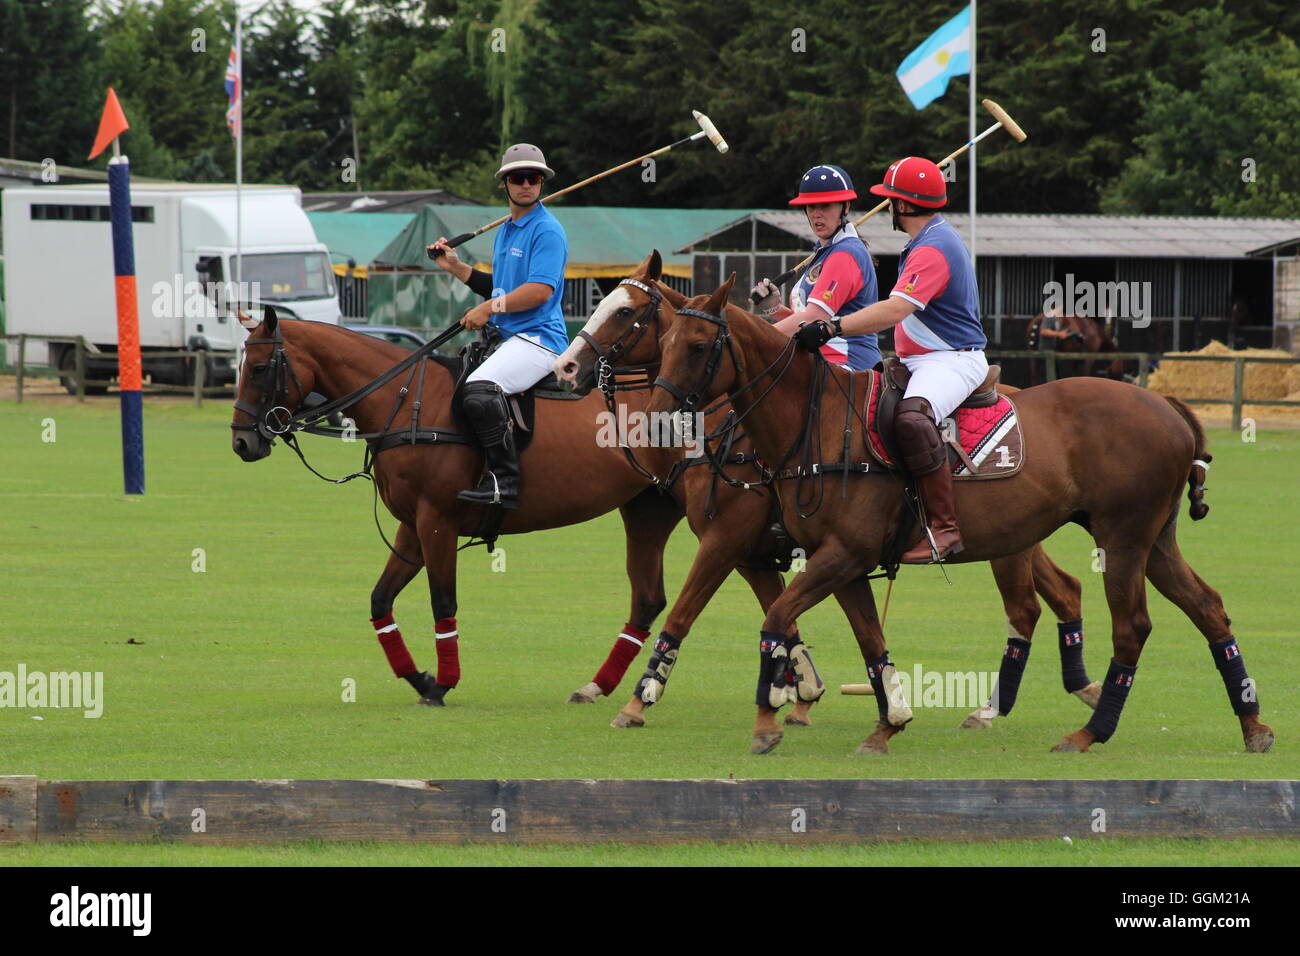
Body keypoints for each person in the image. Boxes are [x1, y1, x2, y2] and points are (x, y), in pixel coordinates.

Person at [794, 156, 987, 563]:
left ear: (903, 205)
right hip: (919, 360)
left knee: (911, 419)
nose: (889, 208)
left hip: (951, 360)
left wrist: (832, 327)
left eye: (891, 199)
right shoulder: (922, 241)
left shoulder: (934, 247)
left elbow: (894, 310)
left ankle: (945, 528)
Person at [428, 144, 569, 508]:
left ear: (541, 183)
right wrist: (457, 268)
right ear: (505, 184)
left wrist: (489, 309)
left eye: (533, 178)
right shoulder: (507, 230)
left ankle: (504, 482)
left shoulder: (547, 231)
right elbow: (502, 287)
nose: (526, 185)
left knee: (480, 389)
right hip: (507, 338)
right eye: (518, 178)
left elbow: (539, 291)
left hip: (539, 339)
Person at [750, 164, 881, 371]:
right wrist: (774, 309)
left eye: (826, 205)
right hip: (818, 361)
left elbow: (814, 317)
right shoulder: (826, 252)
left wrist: (750, 340)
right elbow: (808, 325)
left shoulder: (845, 254)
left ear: (845, 207)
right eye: (811, 207)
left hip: (848, 365)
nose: (817, 214)